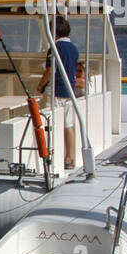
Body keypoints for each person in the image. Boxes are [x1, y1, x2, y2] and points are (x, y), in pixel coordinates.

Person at [38, 15, 80, 168]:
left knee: (50, 124)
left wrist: (40, 85)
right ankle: (69, 158)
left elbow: (49, 71)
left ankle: (50, 157)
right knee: (68, 125)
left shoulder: (54, 49)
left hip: (56, 91)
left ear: (53, 32)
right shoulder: (74, 49)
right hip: (70, 91)